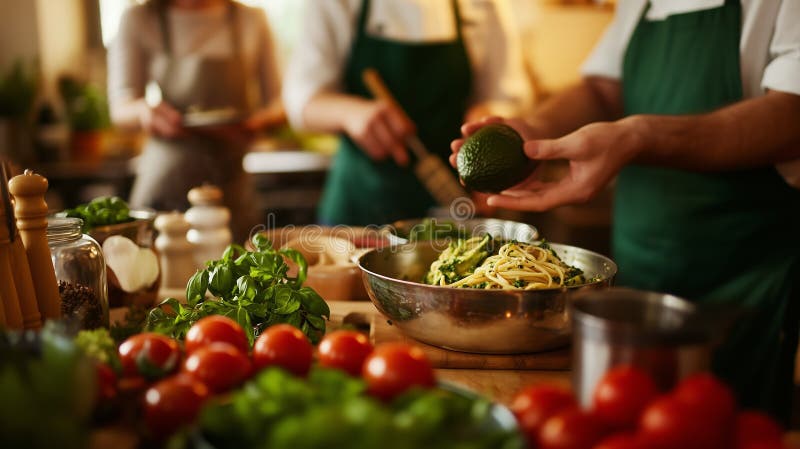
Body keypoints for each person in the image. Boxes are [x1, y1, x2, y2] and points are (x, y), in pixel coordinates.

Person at [452, 0, 800, 420]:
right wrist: (536, 132)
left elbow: (791, 117)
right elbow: (603, 90)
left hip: (746, 278)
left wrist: (641, 135)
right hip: (638, 268)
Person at [283, 0, 531, 226]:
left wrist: (489, 118)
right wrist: (351, 114)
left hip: (456, 207)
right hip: (362, 206)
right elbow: (301, 100)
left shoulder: (486, 6)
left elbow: (508, 96)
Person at [108, 0, 284, 241]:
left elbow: (280, 103)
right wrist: (144, 112)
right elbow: (121, 106)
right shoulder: (140, 19)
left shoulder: (252, 19)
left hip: (230, 187)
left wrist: (257, 123)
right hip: (166, 187)